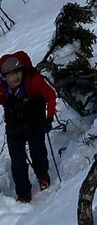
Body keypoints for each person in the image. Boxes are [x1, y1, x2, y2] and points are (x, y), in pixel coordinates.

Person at [0, 51, 57, 205]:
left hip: (35, 123)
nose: (15, 77)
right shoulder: (2, 89)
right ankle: (23, 192)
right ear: (3, 77)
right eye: (10, 74)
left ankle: (42, 175)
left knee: (37, 151)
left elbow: (51, 95)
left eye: (17, 72)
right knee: (17, 161)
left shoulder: (34, 81)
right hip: (14, 127)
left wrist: (49, 117)